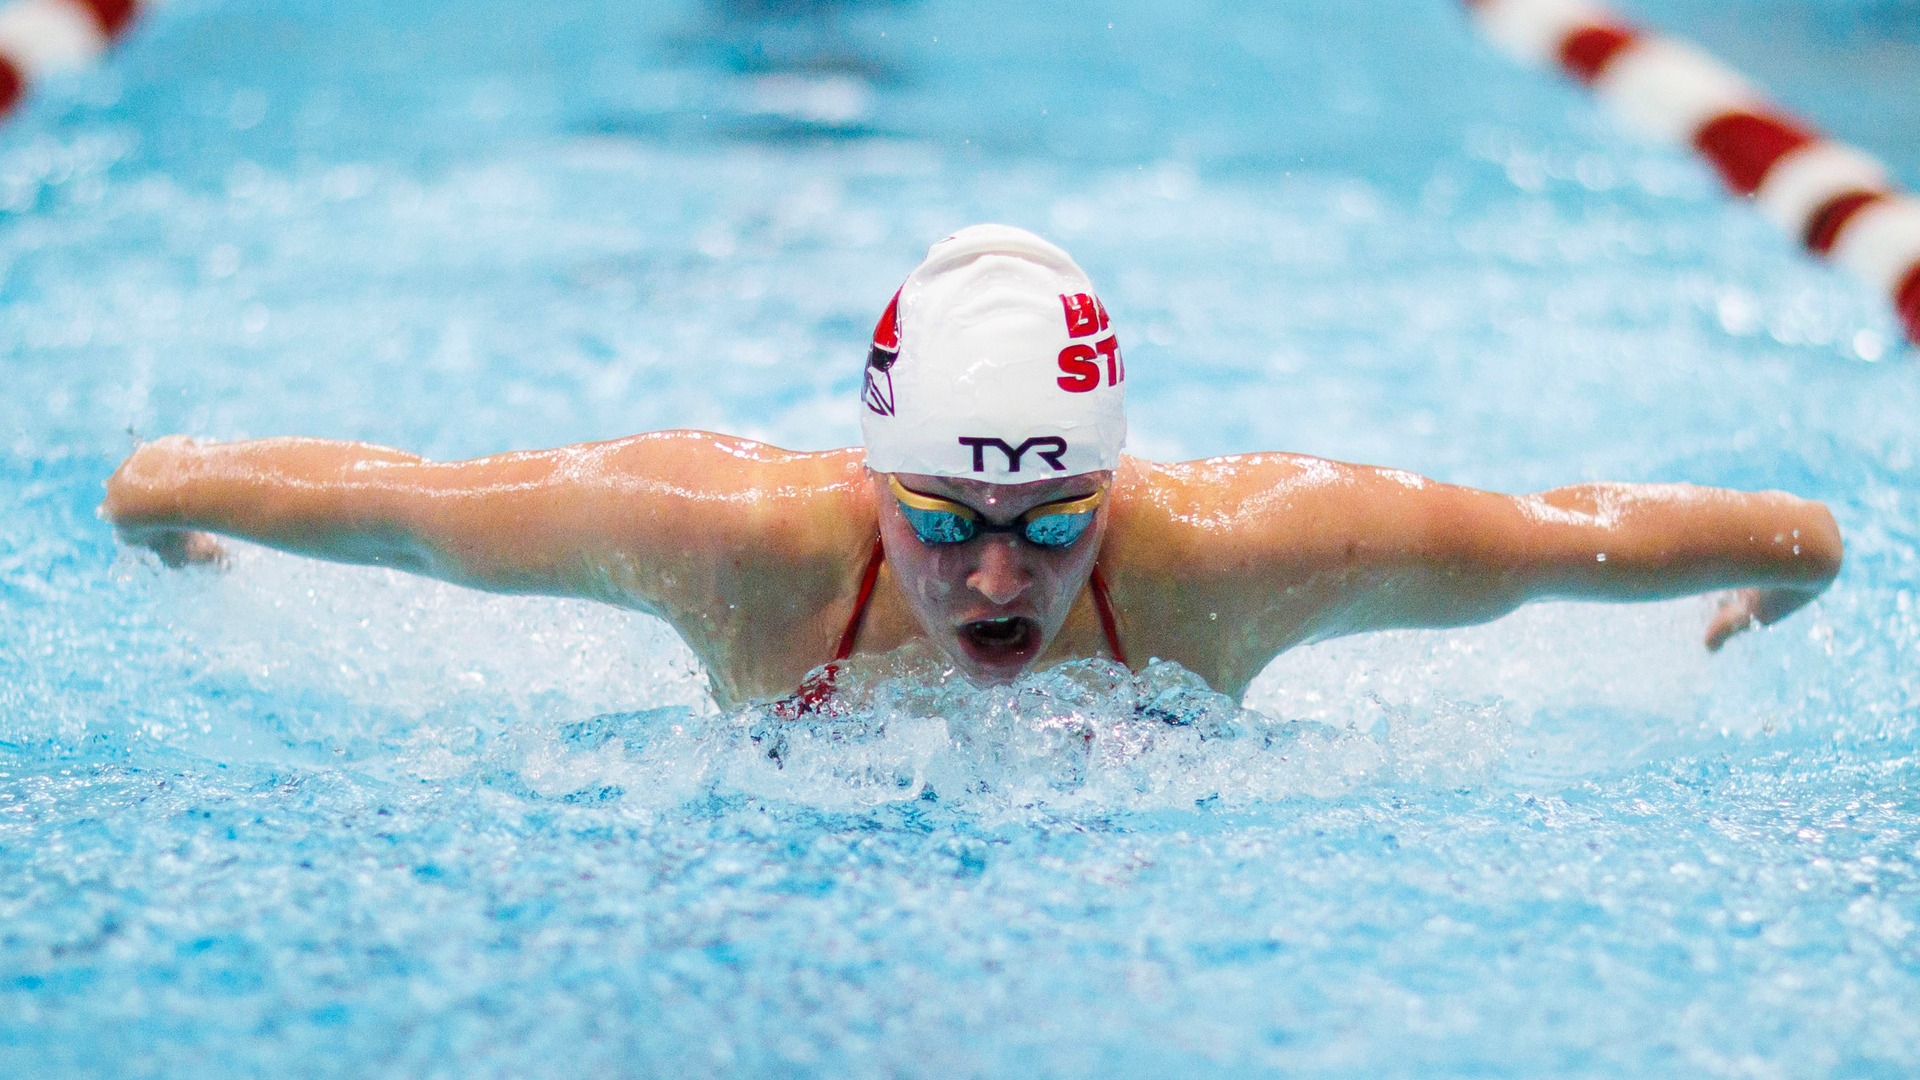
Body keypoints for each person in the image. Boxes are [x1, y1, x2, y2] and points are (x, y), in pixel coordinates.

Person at [101, 225, 1843, 710]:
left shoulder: (1247, 553)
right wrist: (173, 519)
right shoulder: (726, 539)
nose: (996, 580)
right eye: (940, 518)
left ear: (1120, 488)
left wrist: (1787, 580)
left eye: (1050, 524)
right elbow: (405, 504)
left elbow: (1559, 538)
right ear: (868, 486)